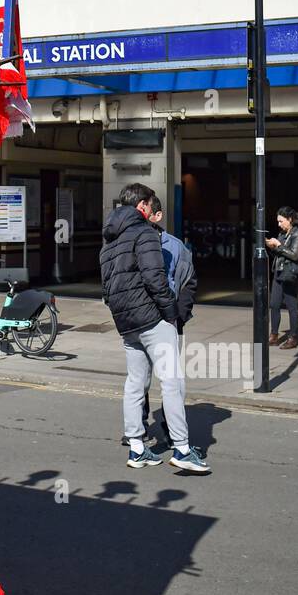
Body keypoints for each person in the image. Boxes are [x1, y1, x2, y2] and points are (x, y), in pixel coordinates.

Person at [100, 183, 210, 474]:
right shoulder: (145, 233)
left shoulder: (110, 240)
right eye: (149, 204)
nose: (151, 208)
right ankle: (183, 449)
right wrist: (170, 313)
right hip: (152, 319)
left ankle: (137, 448)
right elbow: (155, 278)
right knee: (173, 383)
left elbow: (107, 287)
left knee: (135, 383)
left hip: (126, 323)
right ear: (142, 207)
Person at [142, 195, 198, 446]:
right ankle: (139, 427)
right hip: (141, 321)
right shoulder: (131, 245)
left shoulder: (175, 247)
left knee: (171, 380)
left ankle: (169, 429)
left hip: (169, 321)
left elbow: (189, 282)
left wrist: (178, 315)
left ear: (158, 216)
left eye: (145, 214)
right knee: (140, 378)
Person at [266, 207, 298, 350]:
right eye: (278, 221)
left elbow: (294, 255)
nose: (279, 224)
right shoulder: (282, 234)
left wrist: (279, 245)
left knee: (291, 306)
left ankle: (293, 337)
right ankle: (274, 335)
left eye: (281, 221)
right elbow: (278, 254)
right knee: (274, 304)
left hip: (290, 274)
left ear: (289, 219)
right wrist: (271, 245)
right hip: (278, 272)